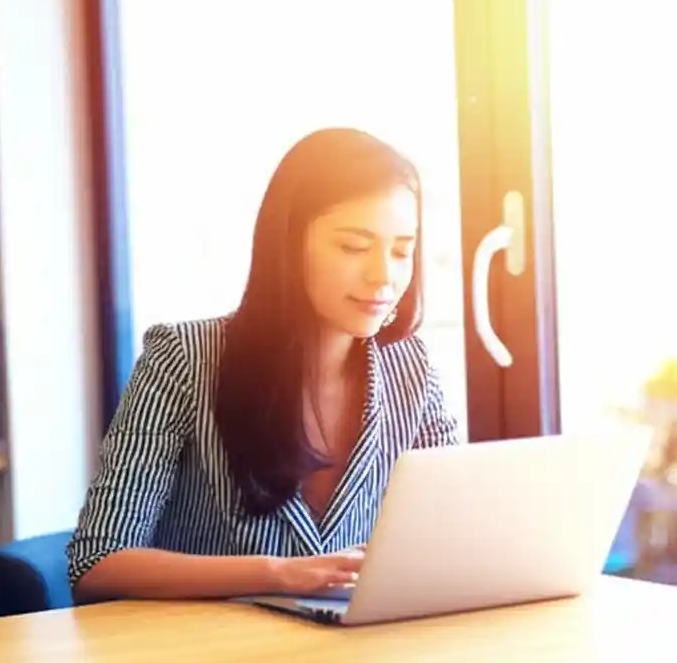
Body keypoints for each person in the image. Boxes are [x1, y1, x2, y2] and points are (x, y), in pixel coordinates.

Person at [66, 127, 461, 603]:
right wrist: (278, 574)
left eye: (401, 251)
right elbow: (98, 562)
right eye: (354, 247)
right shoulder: (184, 358)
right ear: (289, 245)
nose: (384, 275)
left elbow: (452, 533)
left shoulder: (411, 370)